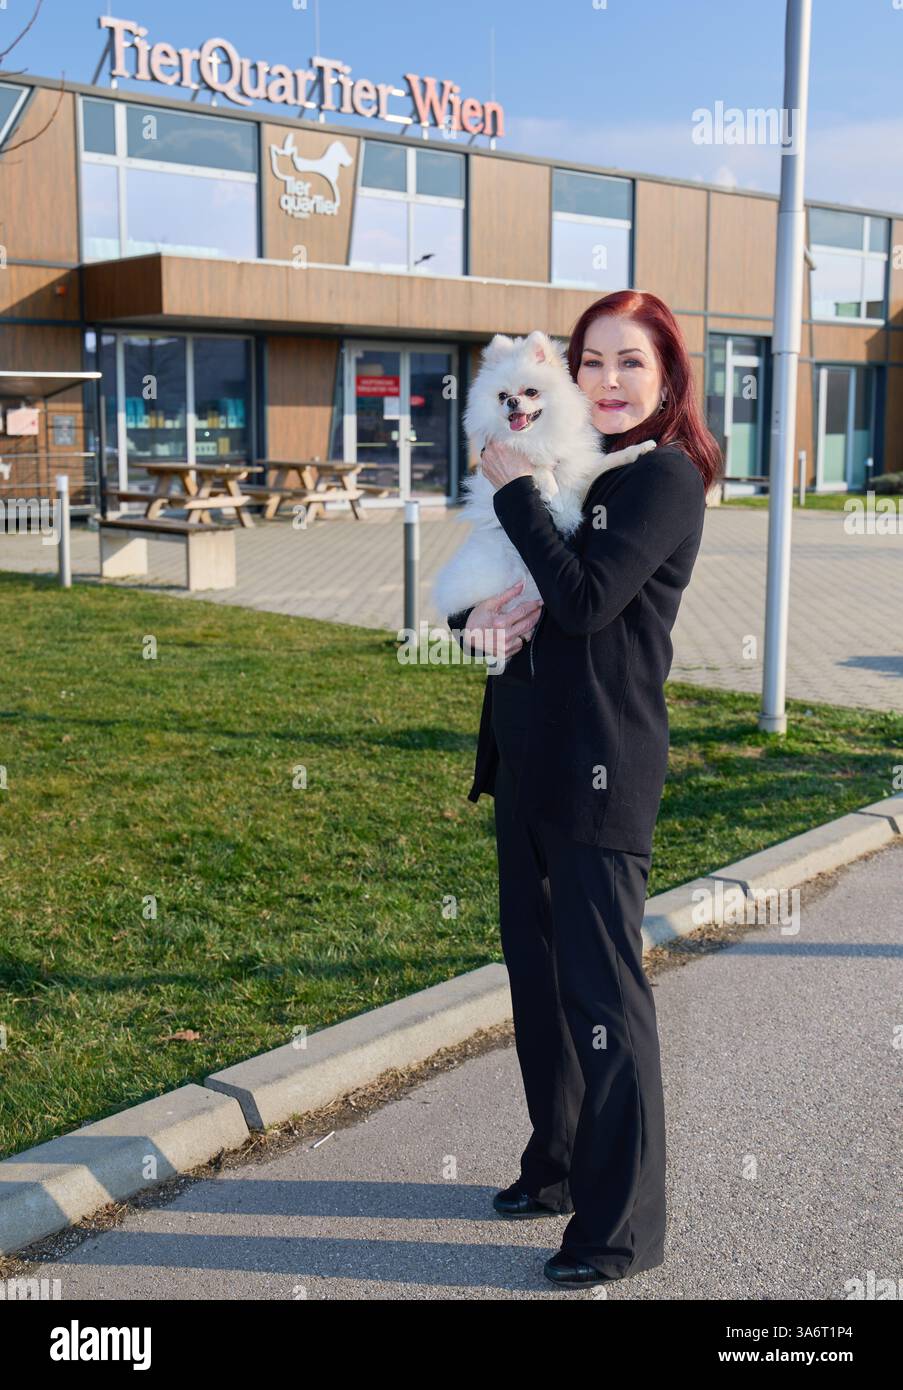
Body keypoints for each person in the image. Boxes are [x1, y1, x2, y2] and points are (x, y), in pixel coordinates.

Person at [445, 290, 723, 1288]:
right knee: (541, 982)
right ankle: (556, 1165)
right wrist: (467, 621)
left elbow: (586, 598)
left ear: (667, 379)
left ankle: (622, 1229)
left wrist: (517, 488)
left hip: (601, 771)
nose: (607, 380)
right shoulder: (577, 467)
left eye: (630, 363)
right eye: (592, 361)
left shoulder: (660, 481)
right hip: (527, 763)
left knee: (605, 997)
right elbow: (504, 588)